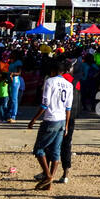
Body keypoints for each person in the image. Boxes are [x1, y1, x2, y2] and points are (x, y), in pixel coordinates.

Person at [29, 60, 73, 191]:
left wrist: (34, 120)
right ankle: (49, 181)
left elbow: (44, 104)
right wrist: (66, 125)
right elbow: (68, 107)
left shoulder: (50, 81)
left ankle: (48, 176)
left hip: (50, 119)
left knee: (39, 149)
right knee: (55, 151)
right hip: (61, 120)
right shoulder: (69, 85)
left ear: (53, 71)